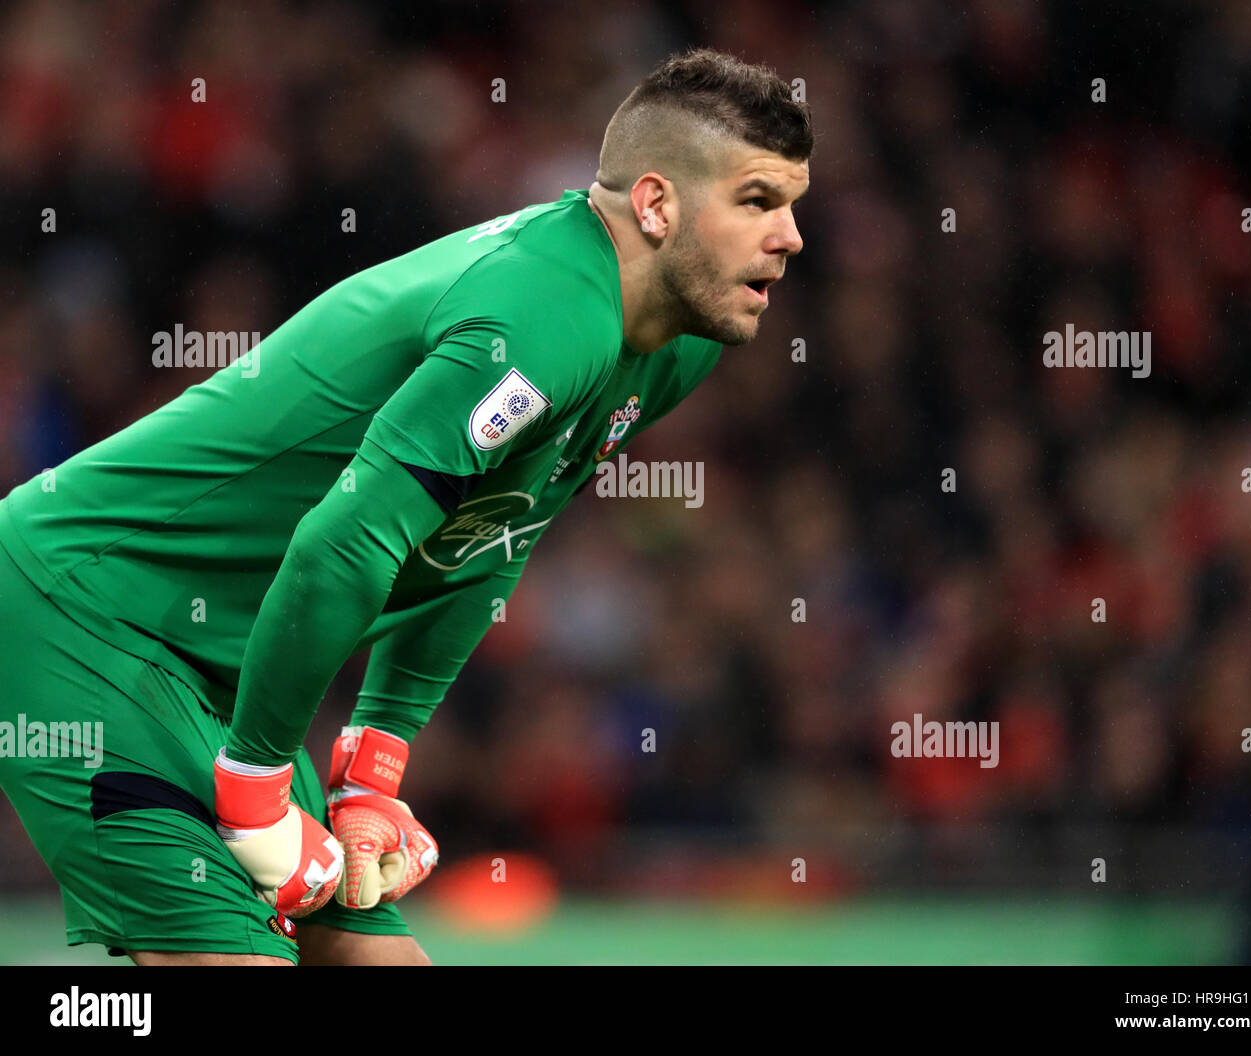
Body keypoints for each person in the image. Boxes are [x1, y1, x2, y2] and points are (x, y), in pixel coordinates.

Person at [0, 47, 811, 966]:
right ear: (658, 206)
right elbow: (341, 549)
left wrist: (373, 765)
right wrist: (259, 780)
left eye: (792, 205)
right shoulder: (546, 318)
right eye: (757, 201)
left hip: (222, 663)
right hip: (84, 612)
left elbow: (490, 532)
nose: (789, 236)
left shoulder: (673, 343)